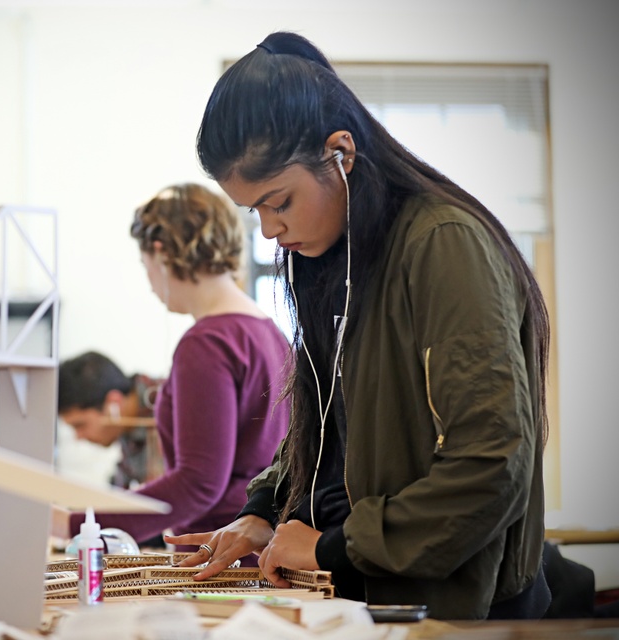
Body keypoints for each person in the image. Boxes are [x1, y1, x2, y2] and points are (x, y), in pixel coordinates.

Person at [165, 31, 552, 620]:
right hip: (364, 596)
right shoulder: (333, 257)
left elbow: (491, 464)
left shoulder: (442, 245)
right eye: (255, 212)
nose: (269, 230)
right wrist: (264, 510)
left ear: (340, 153)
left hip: (451, 610)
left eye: (280, 201)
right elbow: (328, 424)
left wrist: (333, 547)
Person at [55, 182, 293, 563]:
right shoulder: (270, 332)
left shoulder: (207, 342)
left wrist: (77, 524)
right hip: (253, 551)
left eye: (143, 263)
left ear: (160, 253)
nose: (148, 279)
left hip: (218, 559)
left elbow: (198, 484)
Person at [57, 350, 162, 490]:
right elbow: (118, 491)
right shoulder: (127, 432)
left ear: (114, 402)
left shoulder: (172, 407)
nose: (78, 436)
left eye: (79, 425)